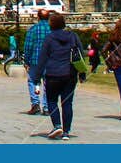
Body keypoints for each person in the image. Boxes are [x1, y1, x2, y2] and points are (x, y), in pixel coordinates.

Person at [26, 11, 83, 140]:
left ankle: (57, 125)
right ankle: (66, 132)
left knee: (52, 101)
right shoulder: (73, 36)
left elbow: (43, 59)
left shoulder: (49, 38)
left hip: (53, 74)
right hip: (69, 73)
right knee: (67, 103)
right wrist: (82, 73)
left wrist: (36, 77)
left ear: (52, 26)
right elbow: (80, 55)